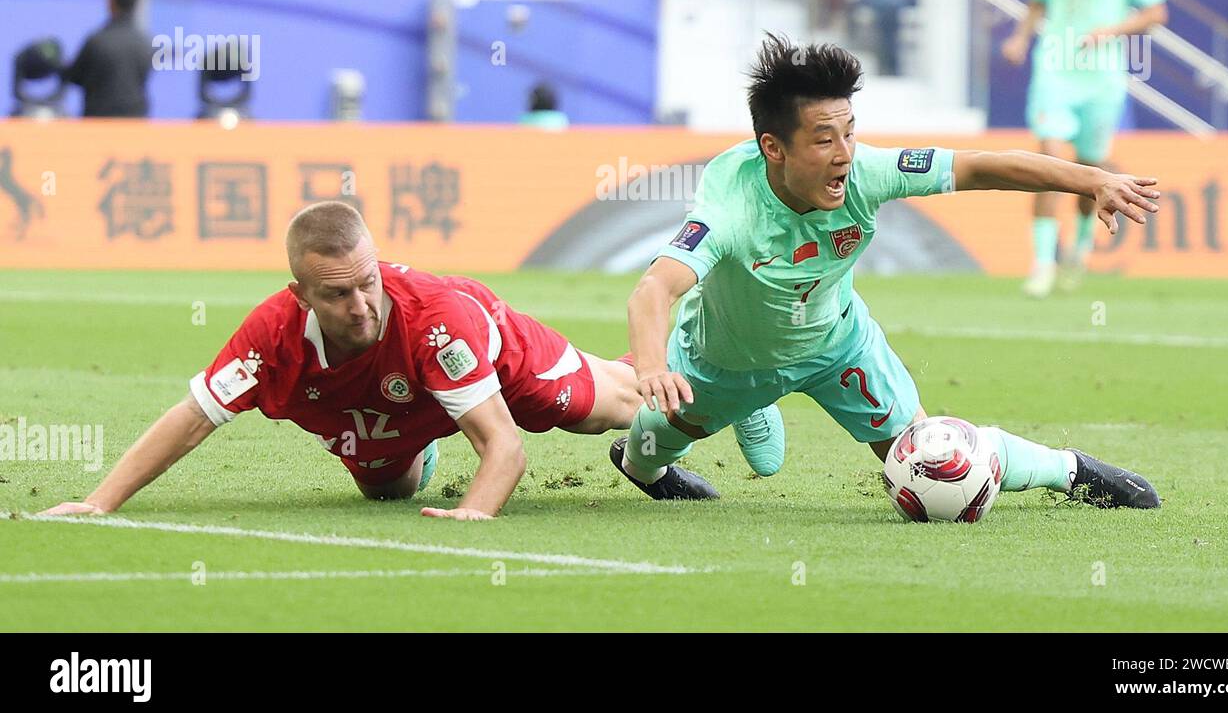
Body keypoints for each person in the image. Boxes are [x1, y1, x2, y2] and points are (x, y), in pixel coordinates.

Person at [610, 34, 1163, 510]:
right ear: (772, 147)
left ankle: (1068, 470)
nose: (844, 153)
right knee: (645, 455)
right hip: (725, 364)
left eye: (849, 132)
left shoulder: (868, 171)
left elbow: (979, 167)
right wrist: (654, 366)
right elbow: (655, 287)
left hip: (837, 346)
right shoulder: (729, 208)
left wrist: (1090, 180)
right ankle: (734, 416)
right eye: (824, 139)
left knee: (933, 457)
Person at [40, 201, 778, 519]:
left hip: (491, 356)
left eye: (368, 283)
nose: (361, 306)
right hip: (400, 407)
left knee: (617, 409)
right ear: (299, 295)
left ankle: (721, 374)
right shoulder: (270, 336)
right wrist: (101, 502)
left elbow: (506, 449)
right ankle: (419, 443)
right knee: (385, 493)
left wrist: (475, 514)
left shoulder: (437, 322)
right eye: (336, 296)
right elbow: (192, 418)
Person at [1001, 0, 1168, 298]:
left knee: (1092, 169)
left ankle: (1077, 246)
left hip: (1101, 77)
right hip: (1055, 69)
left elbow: (1155, 11)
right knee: (1049, 161)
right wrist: (1021, 37)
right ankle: (1041, 265)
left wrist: (1110, 31)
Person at [64, 0, 154, 118]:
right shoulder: (146, 43)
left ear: (111, 0)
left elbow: (74, 76)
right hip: (135, 124)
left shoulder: (97, 41)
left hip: (98, 125)